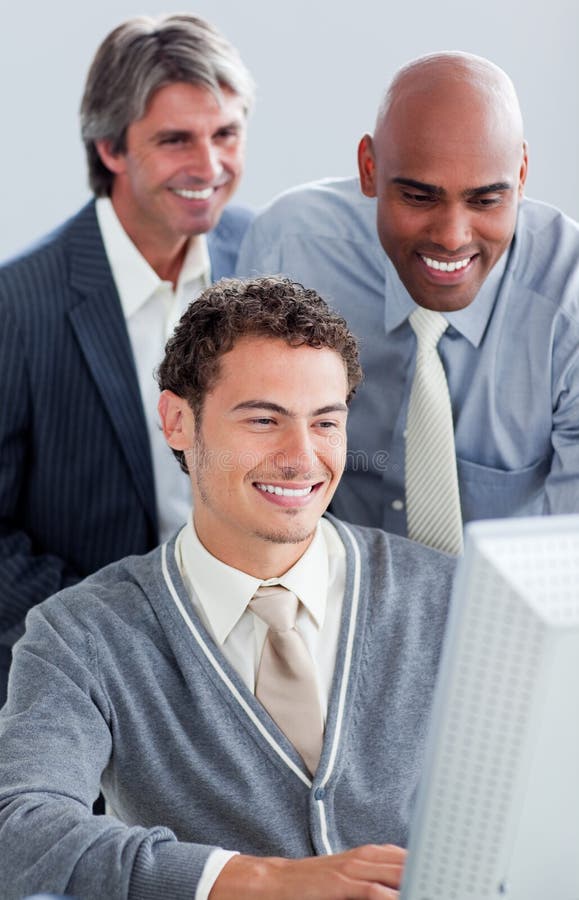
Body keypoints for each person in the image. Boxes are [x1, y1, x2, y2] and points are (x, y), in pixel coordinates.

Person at [0, 276, 455, 899]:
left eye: (325, 422)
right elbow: (18, 832)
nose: (302, 457)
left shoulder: (449, 597)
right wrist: (259, 881)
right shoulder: (81, 636)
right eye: (264, 419)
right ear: (178, 421)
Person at [0, 13, 255, 703]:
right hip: (86, 682)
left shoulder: (265, 258)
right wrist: (120, 633)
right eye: (176, 140)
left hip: (253, 669)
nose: (209, 167)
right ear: (111, 147)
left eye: (225, 134)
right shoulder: (19, 304)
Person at [236, 51, 579, 544]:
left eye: (486, 200)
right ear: (369, 168)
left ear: (521, 174)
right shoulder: (290, 250)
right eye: (419, 198)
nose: (452, 237)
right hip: (314, 592)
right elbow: (238, 463)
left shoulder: (566, 300)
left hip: (506, 612)